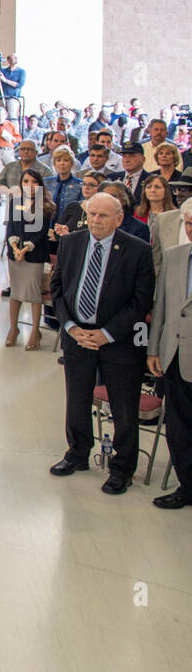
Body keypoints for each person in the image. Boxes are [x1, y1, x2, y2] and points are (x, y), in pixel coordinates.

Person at [48, 193, 156, 494]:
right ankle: (78, 453)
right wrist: (70, 327)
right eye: (92, 214)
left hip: (118, 342)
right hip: (77, 337)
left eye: (103, 216)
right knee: (77, 399)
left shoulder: (138, 250)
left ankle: (122, 469)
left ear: (119, 218)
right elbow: (57, 289)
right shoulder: (71, 243)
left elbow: (141, 301)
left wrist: (107, 334)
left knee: (123, 408)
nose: (95, 220)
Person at [147, 207, 192, 508]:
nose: (191, 229)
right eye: (188, 223)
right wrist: (153, 349)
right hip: (175, 355)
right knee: (178, 428)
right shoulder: (176, 255)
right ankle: (187, 488)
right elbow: (161, 306)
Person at [4, 169, 55, 350]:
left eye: (34, 182)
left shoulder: (46, 205)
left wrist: (25, 249)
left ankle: (35, 331)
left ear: (40, 184)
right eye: (26, 181)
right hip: (15, 255)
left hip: (34, 255)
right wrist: (16, 248)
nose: (30, 185)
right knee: (15, 293)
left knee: (33, 295)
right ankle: (13, 329)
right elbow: (12, 228)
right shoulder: (16, 203)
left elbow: (41, 233)